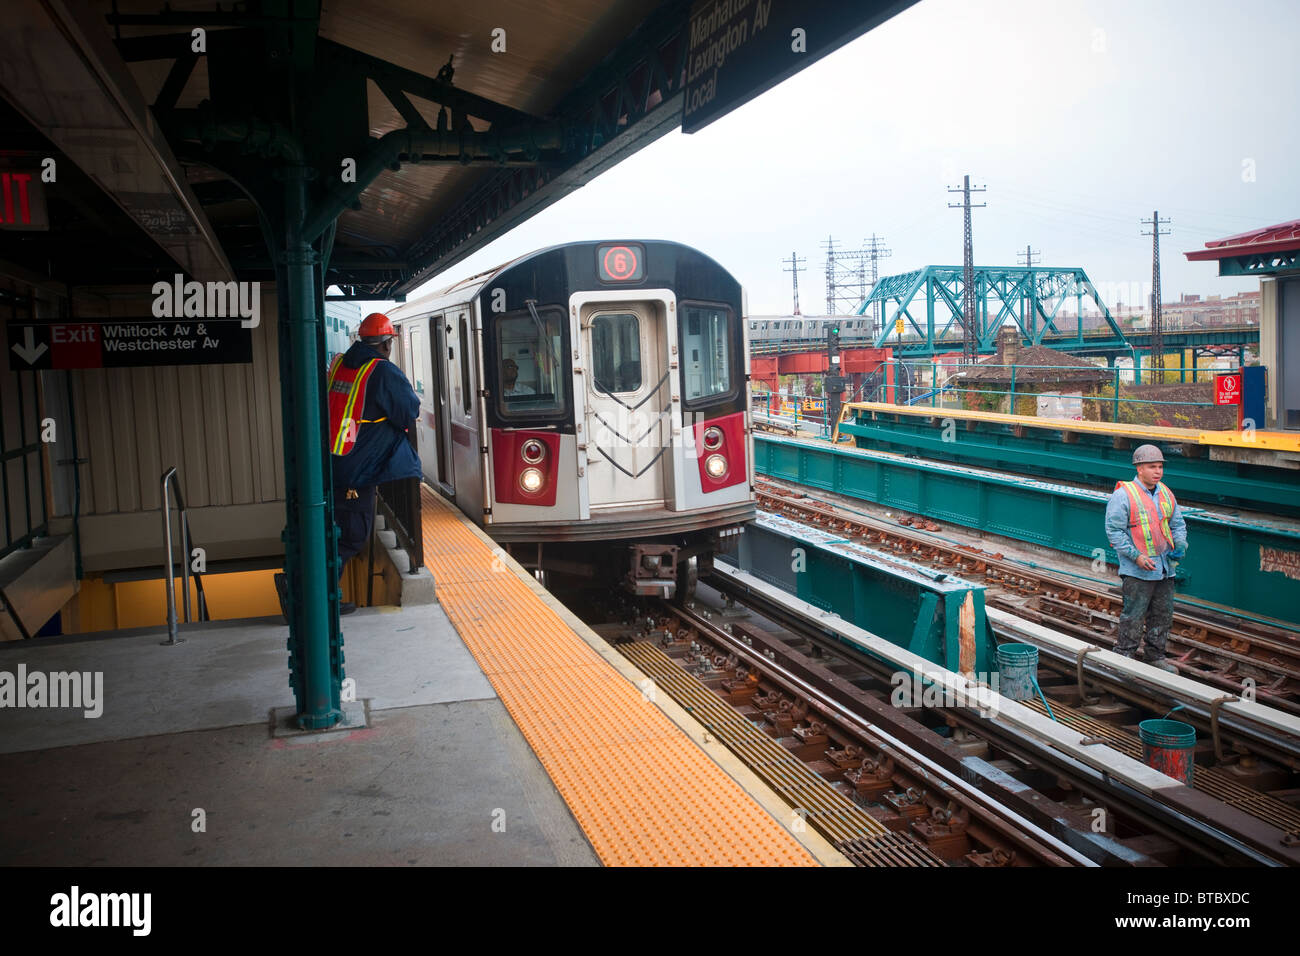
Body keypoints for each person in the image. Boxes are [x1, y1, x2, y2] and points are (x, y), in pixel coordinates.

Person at [276, 312, 422, 620]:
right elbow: (408, 409)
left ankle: (314, 594)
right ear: (385, 344)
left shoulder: (342, 363)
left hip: (332, 460)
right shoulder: (381, 371)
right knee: (351, 536)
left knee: (333, 532)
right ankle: (307, 593)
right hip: (356, 468)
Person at [1104, 444, 1187, 673]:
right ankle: (1124, 658)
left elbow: (1177, 523)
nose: (1158, 471)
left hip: (1164, 568)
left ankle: (1154, 657)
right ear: (1139, 468)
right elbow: (1114, 532)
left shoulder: (1166, 494)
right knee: (1134, 615)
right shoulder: (1124, 495)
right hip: (1137, 570)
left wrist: (1180, 544)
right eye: (1152, 467)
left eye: (1160, 467)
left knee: (1162, 615)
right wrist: (1136, 556)